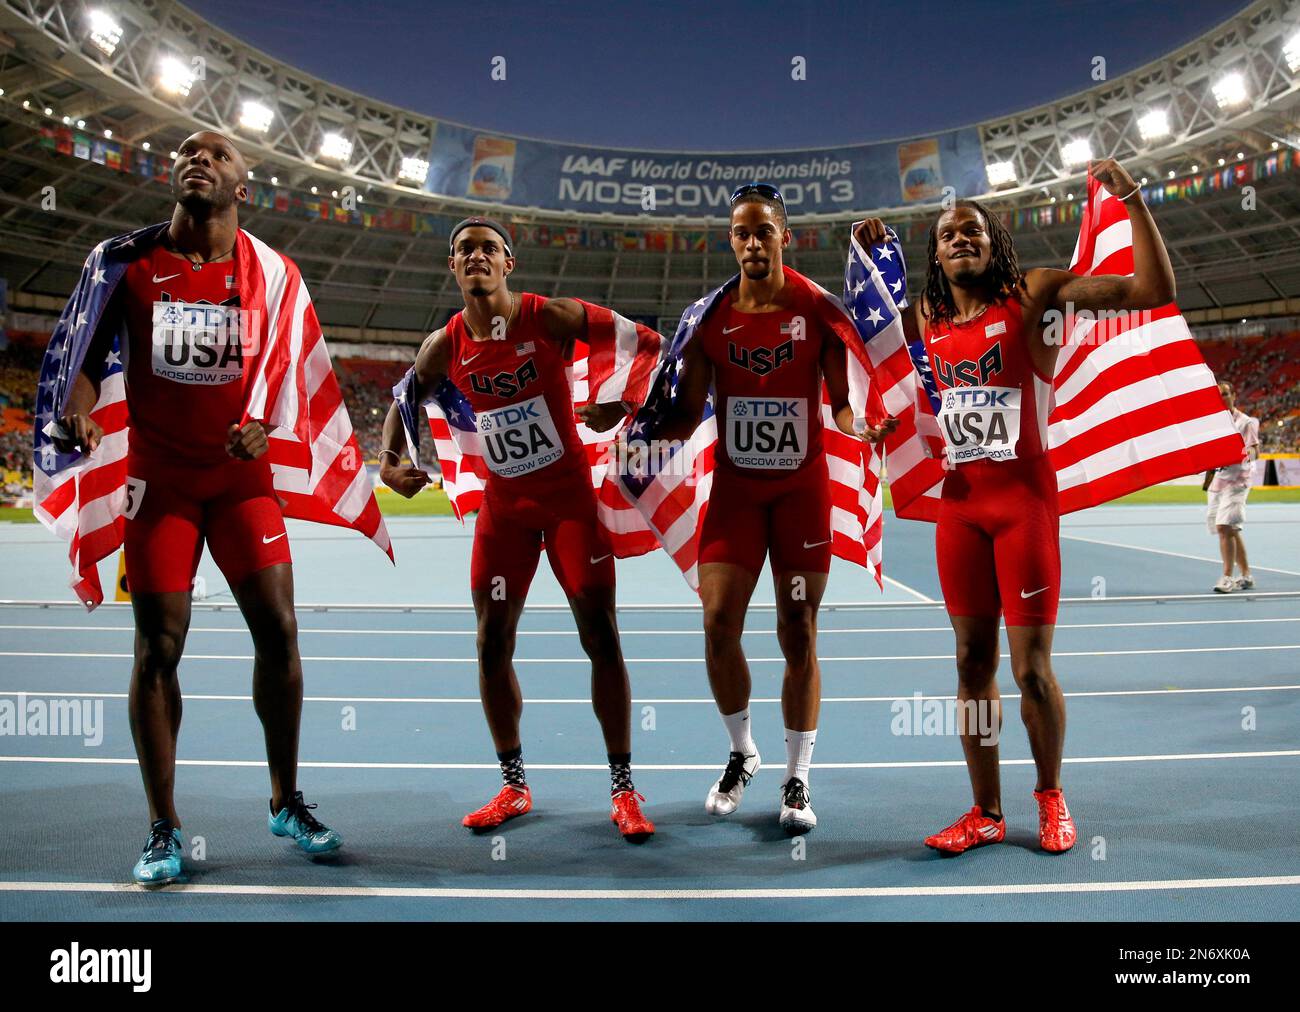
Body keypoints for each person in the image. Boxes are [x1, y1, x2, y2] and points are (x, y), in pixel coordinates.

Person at [855, 157, 1176, 855]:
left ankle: (1051, 797)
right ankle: (985, 811)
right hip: (961, 507)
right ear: (935, 253)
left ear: (993, 240)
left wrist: (1132, 200)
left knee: (1030, 667)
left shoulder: (1034, 295)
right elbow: (900, 382)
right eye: (946, 234)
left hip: (1024, 505)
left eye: (971, 230)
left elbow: (1152, 289)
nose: (958, 239)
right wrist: (874, 259)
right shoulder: (927, 314)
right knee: (971, 664)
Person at [51, 132, 343, 885]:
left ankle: (286, 798)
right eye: (185, 150)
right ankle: (163, 828)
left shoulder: (273, 274)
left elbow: (290, 369)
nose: (197, 157)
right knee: (158, 646)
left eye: (217, 153)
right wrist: (80, 412)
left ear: (244, 185)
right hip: (160, 482)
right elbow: (83, 365)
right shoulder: (125, 263)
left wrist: (265, 423)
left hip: (240, 479)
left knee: (279, 633)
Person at [379, 217, 655, 840]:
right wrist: (390, 456)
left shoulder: (548, 317)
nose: (476, 256)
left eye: (488, 248)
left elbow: (642, 344)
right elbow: (405, 394)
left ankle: (623, 788)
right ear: (453, 267)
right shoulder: (444, 344)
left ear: (509, 263)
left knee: (600, 635)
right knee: (490, 642)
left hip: (567, 506)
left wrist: (626, 400)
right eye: (463, 250)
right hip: (505, 512)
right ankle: (512, 785)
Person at [651, 184, 893, 833]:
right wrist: (626, 423)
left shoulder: (818, 309)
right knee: (716, 624)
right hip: (736, 492)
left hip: (799, 493)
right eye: (741, 232)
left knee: (799, 632)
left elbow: (841, 403)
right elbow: (681, 416)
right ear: (730, 240)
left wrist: (859, 424)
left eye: (764, 231)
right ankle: (742, 752)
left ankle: (797, 779)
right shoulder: (709, 318)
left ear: (787, 236)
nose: (752, 242)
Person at [1203, 380, 1260, 592]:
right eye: (1218, 395)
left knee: (1223, 527)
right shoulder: (1212, 423)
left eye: (1225, 394)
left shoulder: (1246, 422)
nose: (1222, 398)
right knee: (1231, 530)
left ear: (1234, 395)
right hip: (1218, 481)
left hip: (1238, 481)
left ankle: (1227, 577)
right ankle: (1246, 576)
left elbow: (1256, 451)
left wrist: (1238, 455)